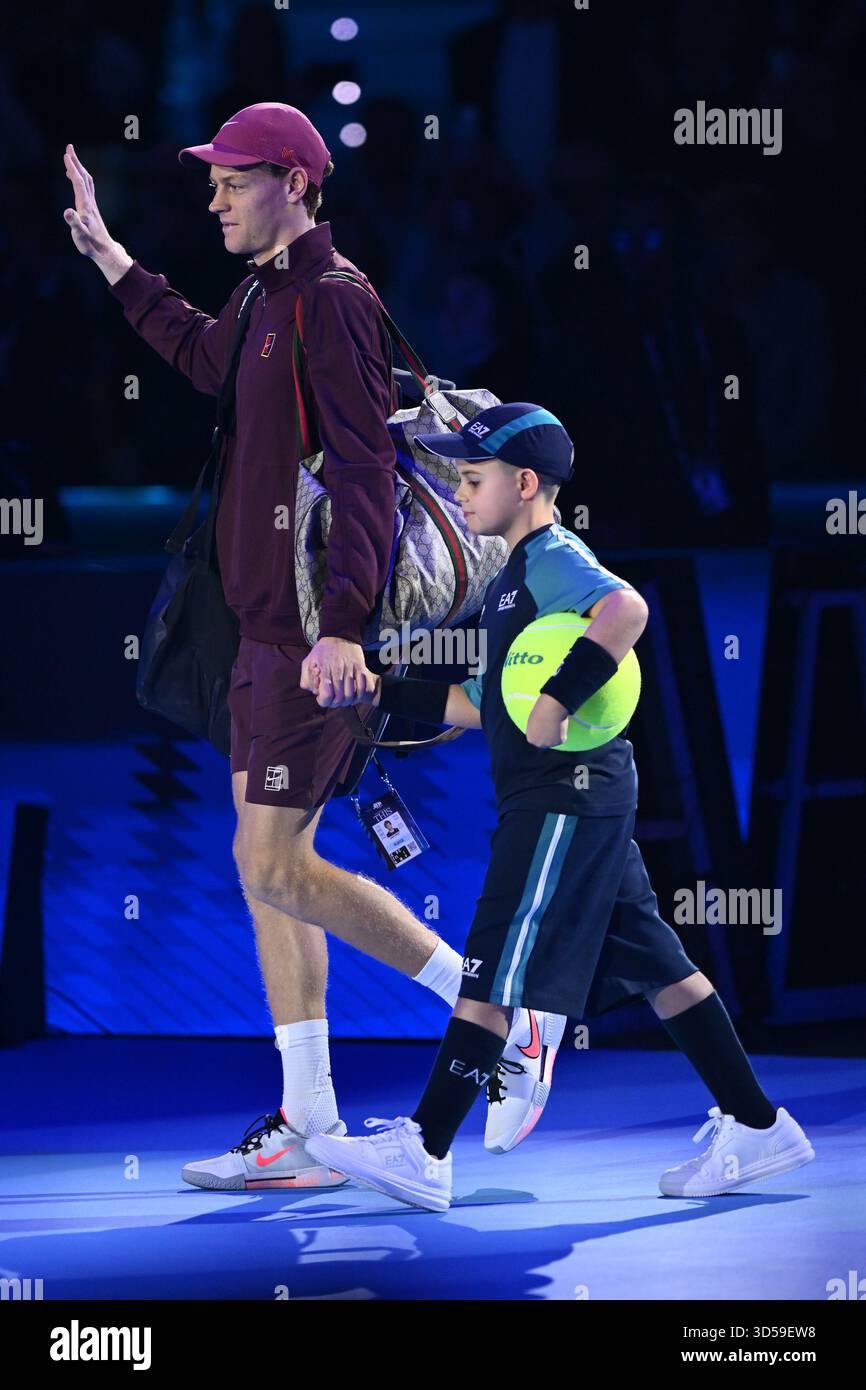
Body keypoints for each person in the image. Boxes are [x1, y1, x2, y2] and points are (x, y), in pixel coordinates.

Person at [61, 105, 559, 1192]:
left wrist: (341, 628)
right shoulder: (258, 292)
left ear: (292, 180)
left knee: (273, 863)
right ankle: (308, 1120)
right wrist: (112, 260)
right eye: (212, 183)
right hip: (254, 632)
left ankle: (502, 1019)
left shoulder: (332, 302)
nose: (214, 198)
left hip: (305, 640)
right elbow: (200, 356)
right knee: (265, 879)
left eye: (231, 181)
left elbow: (368, 471)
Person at [306, 401, 815, 1211]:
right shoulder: (515, 577)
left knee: (495, 963)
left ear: (527, 482)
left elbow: (627, 611)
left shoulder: (553, 556)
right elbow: (482, 699)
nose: (462, 494)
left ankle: (427, 1147)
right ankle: (759, 1128)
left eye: (473, 479)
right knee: (658, 963)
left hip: (561, 795)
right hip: (576, 796)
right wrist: (378, 686)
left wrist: (558, 699)